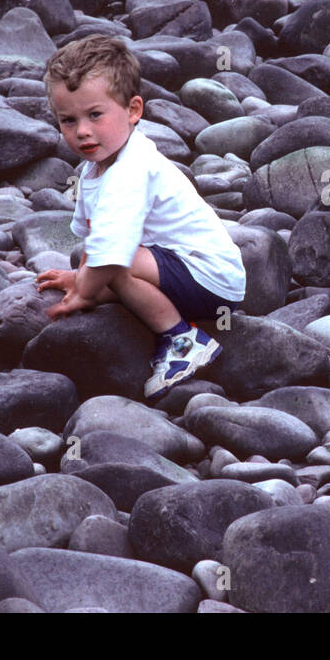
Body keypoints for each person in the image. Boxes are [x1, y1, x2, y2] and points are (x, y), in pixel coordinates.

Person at [34, 34, 246, 400]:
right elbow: (95, 235)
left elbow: (112, 247)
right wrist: (80, 276)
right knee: (106, 258)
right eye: (68, 120)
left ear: (133, 110)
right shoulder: (95, 170)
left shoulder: (130, 169)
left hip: (211, 278)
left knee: (115, 259)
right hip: (175, 267)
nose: (82, 130)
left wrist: (85, 291)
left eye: (95, 115)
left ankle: (183, 339)